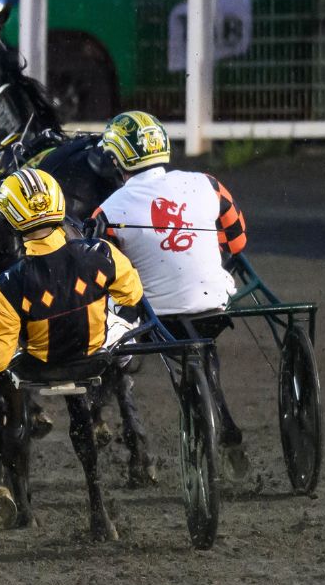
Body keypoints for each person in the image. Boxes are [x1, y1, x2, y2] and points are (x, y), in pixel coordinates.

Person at [89, 109, 253, 467]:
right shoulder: (208, 184)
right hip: (214, 309)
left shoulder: (106, 211)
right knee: (203, 345)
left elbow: (100, 275)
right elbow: (237, 241)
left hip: (154, 322)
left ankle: (100, 403)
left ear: (117, 160)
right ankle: (221, 420)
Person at [0, 166, 144, 375]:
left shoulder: (5, 286)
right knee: (117, 317)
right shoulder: (103, 252)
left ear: (8, 221)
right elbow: (132, 295)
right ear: (59, 204)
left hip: (38, 368)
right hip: (94, 358)